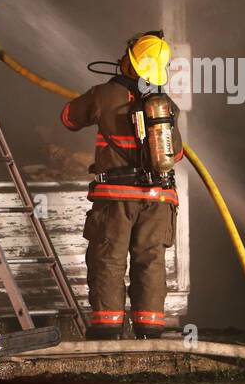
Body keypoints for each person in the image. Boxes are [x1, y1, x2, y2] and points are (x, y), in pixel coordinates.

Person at [60, 32, 184, 339]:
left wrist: (93, 102)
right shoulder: (165, 105)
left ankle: (107, 328)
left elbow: (68, 119)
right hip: (159, 198)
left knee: (108, 259)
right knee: (151, 261)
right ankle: (149, 329)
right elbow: (176, 154)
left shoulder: (103, 95)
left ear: (130, 59)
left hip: (116, 197)